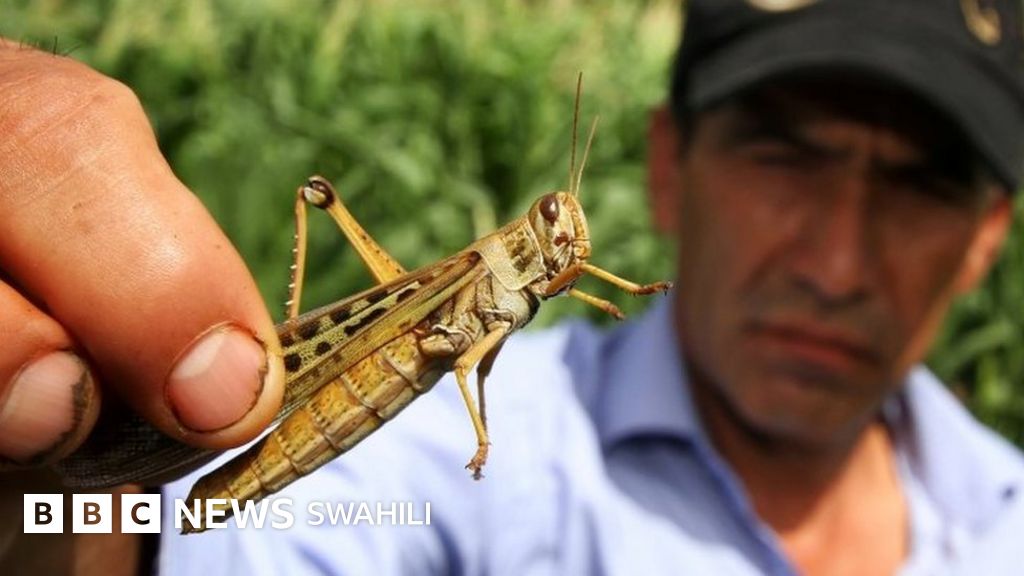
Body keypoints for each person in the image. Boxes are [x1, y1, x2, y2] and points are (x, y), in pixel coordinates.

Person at [4, 1, 1024, 574]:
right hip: (371, 350)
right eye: (782, 155)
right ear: (668, 168)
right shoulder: (482, 461)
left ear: (989, 239)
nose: (835, 261)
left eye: (919, 185)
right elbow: (138, 549)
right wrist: (39, 526)